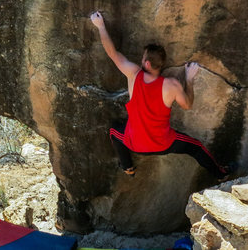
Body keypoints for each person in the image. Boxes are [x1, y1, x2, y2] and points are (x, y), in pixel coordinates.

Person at [90, 11, 233, 180]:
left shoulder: (134, 75)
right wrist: (189, 79)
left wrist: (101, 26)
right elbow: (187, 105)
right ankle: (221, 174)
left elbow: (113, 54)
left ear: (147, 63)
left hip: (135, 143)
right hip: (164, 143)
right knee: (196, 147)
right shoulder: (171, 85)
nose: (141, 60)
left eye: (143, 58)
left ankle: (128, 167)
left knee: (114, 131)